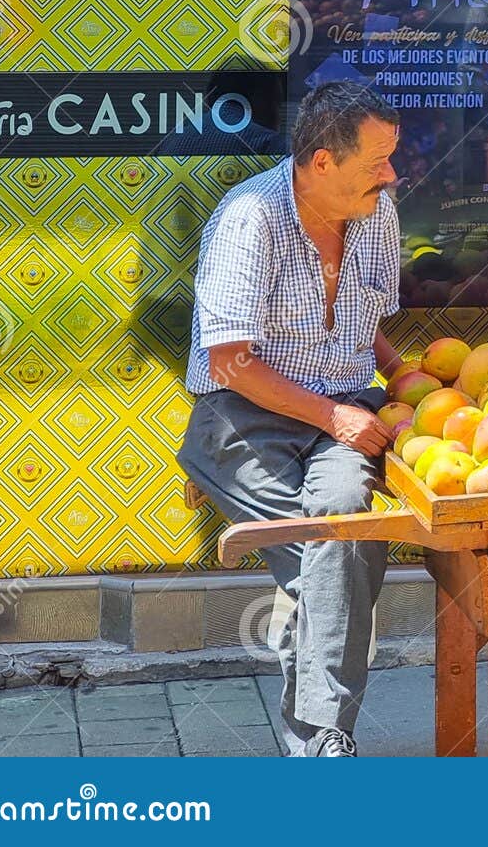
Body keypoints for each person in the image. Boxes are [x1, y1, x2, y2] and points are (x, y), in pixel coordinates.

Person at [178, 81, 404, 757]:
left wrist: (407, 378)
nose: (391, 176)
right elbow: (231, 362)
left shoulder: (377, 212)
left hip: (341, 410)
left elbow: (370, 326)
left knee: (342, 530)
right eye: (377, 162)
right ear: (323, 163)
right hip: (245, 415)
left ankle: (320, 745)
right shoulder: (252, 217)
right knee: (338, 560)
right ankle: (326, 740)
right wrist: (335, 417)